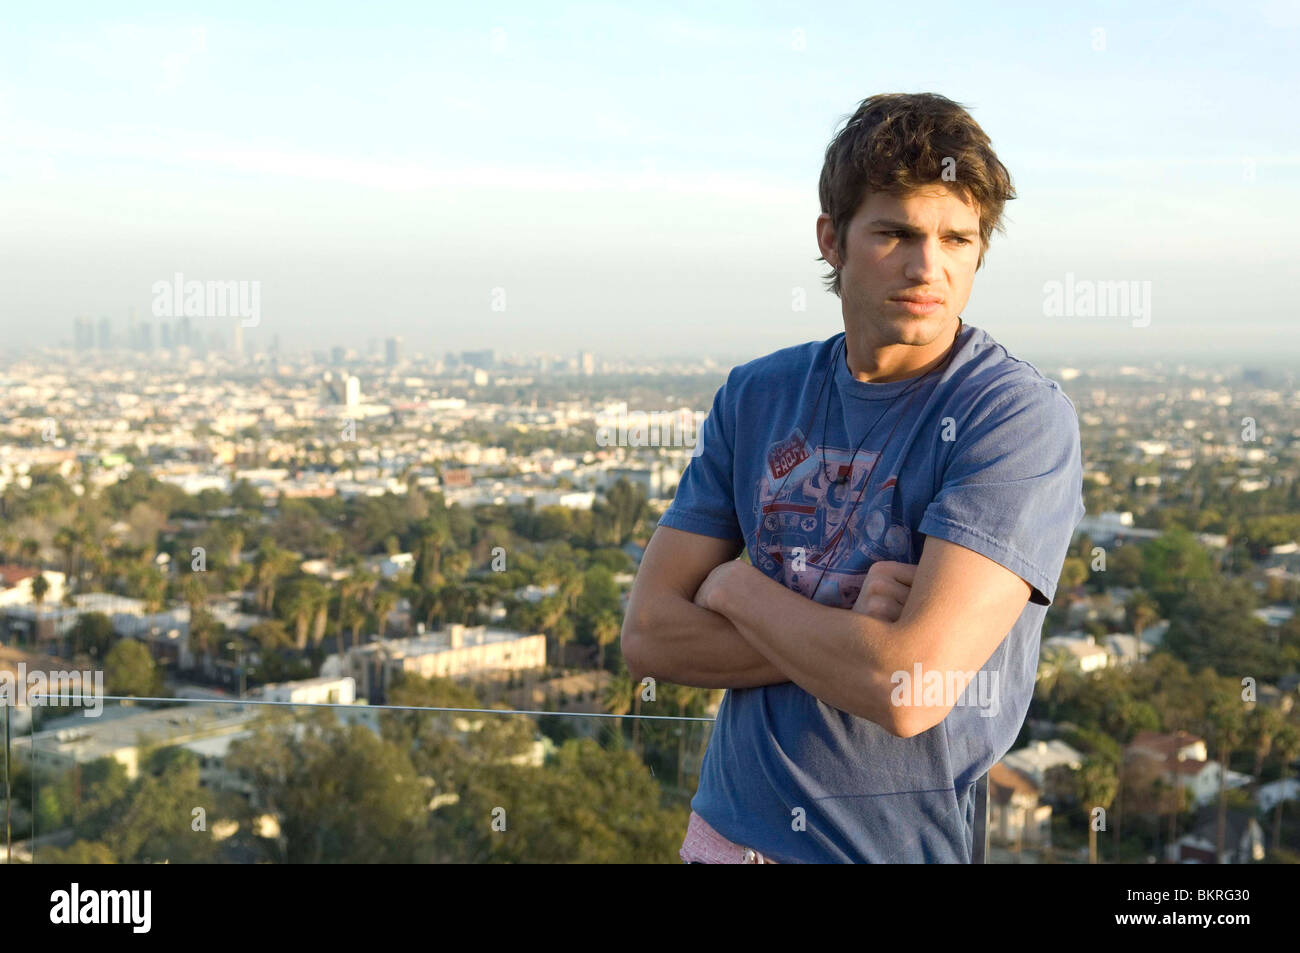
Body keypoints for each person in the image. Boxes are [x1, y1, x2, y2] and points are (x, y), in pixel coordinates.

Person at [621, 92, 1085, 863]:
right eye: (896, 232)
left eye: (957, 238)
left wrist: (738, 591)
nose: (927, 265)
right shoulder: (758, 395)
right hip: (719, 842)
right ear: (831, 240)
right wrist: (858, 641)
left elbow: (909, 691)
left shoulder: (1012, 417)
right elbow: (648, 633)